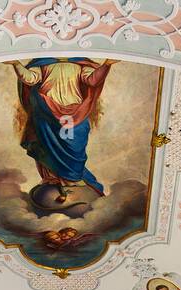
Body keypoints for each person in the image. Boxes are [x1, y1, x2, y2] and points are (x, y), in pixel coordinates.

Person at [12, 58, 114, 200]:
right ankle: (54, 179)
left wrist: (106, 65)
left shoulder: (80, 65)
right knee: (47, 148)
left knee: (75, 147)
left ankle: (72, 180)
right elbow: (31, 79)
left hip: (75, 114)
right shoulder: (43, 64)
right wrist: (16, 64)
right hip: (47, 114)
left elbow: (92, 81)